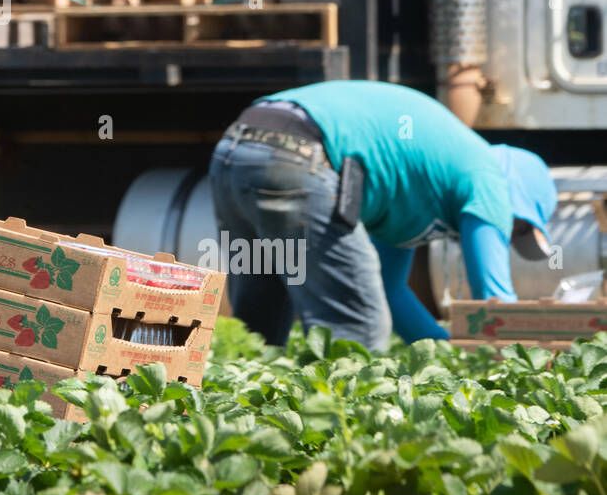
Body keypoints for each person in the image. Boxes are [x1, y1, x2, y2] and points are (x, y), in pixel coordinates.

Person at [208, 80, 558, 350]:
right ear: (516, 196)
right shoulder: (490, 179)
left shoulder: (423, 185)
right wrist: (526, 367)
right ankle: (341, 440)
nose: (506, 235)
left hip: (236, 151)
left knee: (259, 330)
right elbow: (494, 306)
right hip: (298, 156)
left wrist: (440, 351)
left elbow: (391, 289)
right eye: (516, 226)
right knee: (358, 327)